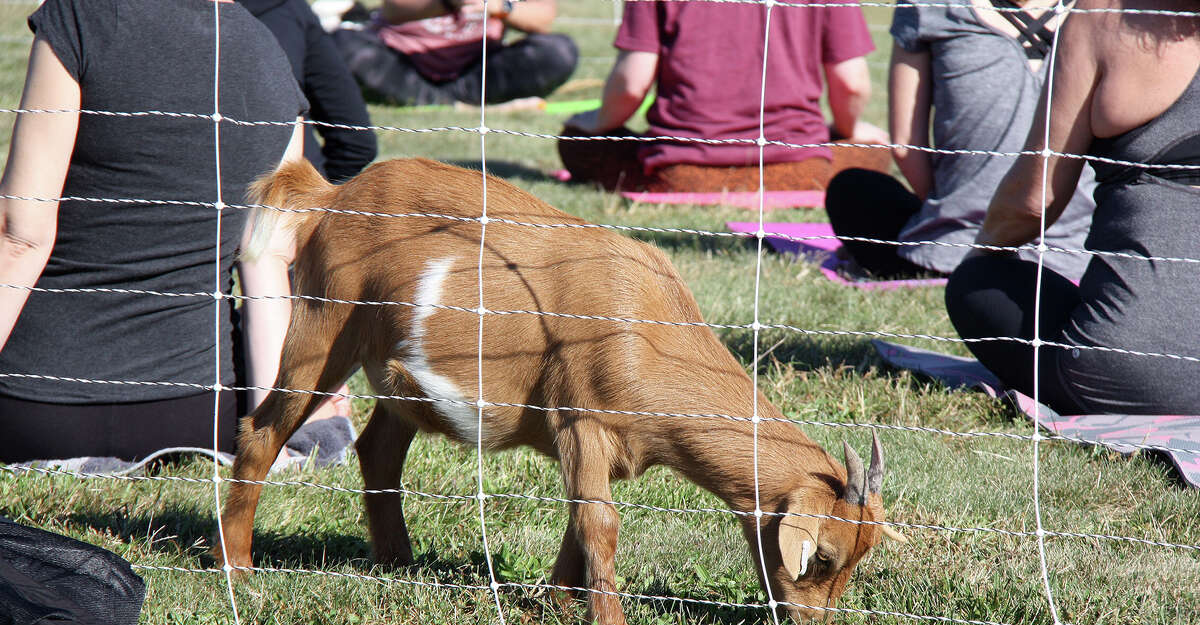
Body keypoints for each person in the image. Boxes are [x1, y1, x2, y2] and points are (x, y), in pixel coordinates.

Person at [0, 0, 334, 462]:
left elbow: (20, 236)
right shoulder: (270, 55)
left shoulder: (80, 16)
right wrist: (272, 435)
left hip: (37, 408)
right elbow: (266, 265)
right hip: (197, 419)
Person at [945, 0, 1200, 414]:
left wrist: (980, 256)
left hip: (1132, 372)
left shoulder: (1101, 16)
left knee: (978, 285)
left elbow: (1033, 200)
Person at [825, 0, 1097, 280]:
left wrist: (955, 209)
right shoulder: (1117, 11)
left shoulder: (930, 6)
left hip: (957, 249)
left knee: (853, 191)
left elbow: (906, 147)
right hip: (1081, 250)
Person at [556, 0, 891, 193]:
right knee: (875, 151)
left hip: (681, 171)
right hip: (801, 169)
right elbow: (852, 84)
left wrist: (595, 123)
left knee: (575, 140)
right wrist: (850, 129)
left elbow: (631, 85)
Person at [333, 0, 578, 107]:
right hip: (403, 64)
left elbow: (543, 19)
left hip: (476, 70)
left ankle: (445, 100)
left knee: (558, 52)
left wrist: (500, 7)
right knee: (343, 46)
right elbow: (394, 8)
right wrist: (446, 3)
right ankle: (452, 101)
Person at [237, 0, 378, 183]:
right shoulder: (287, 9)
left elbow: (356, 141)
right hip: (286, 196)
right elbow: (357, 140)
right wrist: (312, 193)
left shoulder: (189, 21)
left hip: (199, 200)